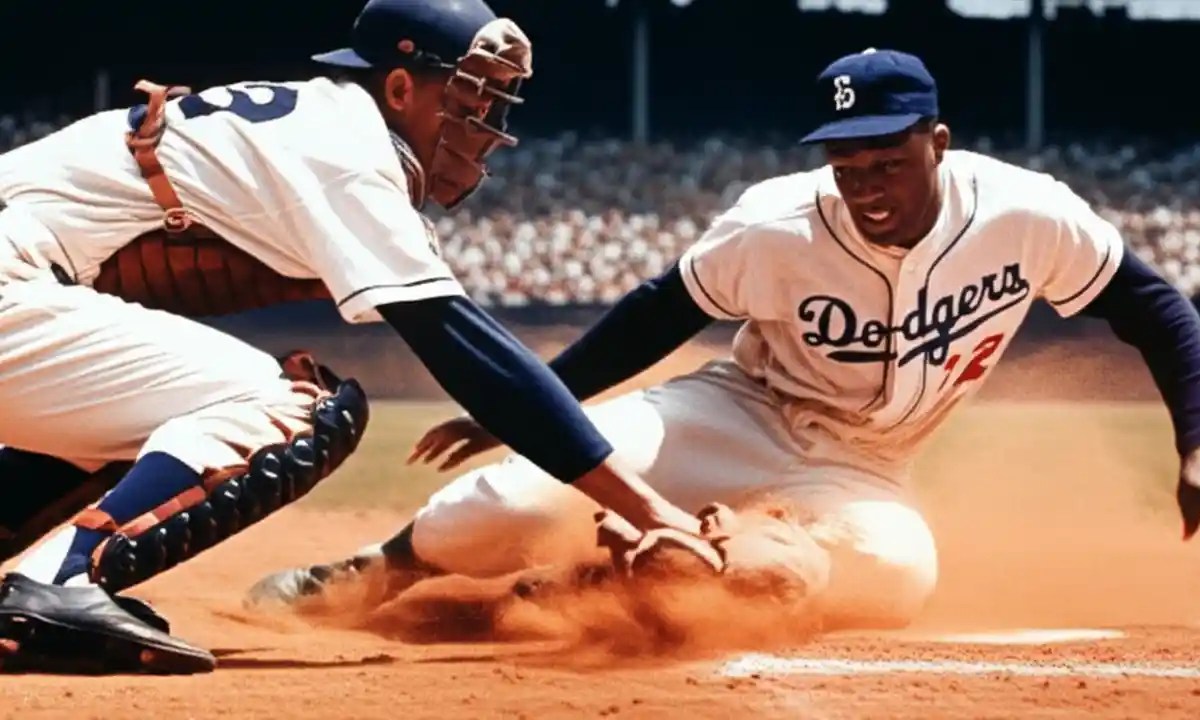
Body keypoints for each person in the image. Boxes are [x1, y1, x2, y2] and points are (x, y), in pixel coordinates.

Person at [248, 48, 1200, 629]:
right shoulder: (777, 219)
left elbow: (1151, 302)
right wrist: (536, 405)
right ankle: (380, 569)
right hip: (731, 413)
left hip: (863, 469)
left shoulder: (1024, 213)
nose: (860, 180)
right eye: (844, 159)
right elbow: (657, 312)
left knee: (898, 577)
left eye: (884, 157)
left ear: (934, 144)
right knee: (504, 496)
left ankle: (614, 581)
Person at [0, 0, 713, 675]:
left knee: (143, 414)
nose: (484, 120)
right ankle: (59, 580)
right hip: (14, 276)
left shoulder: (304, 122)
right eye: (470, 96)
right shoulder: (347, 148)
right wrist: (649, 509)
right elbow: (459, 344)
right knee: (296, 406)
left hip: (25, 276)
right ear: (400, 85)